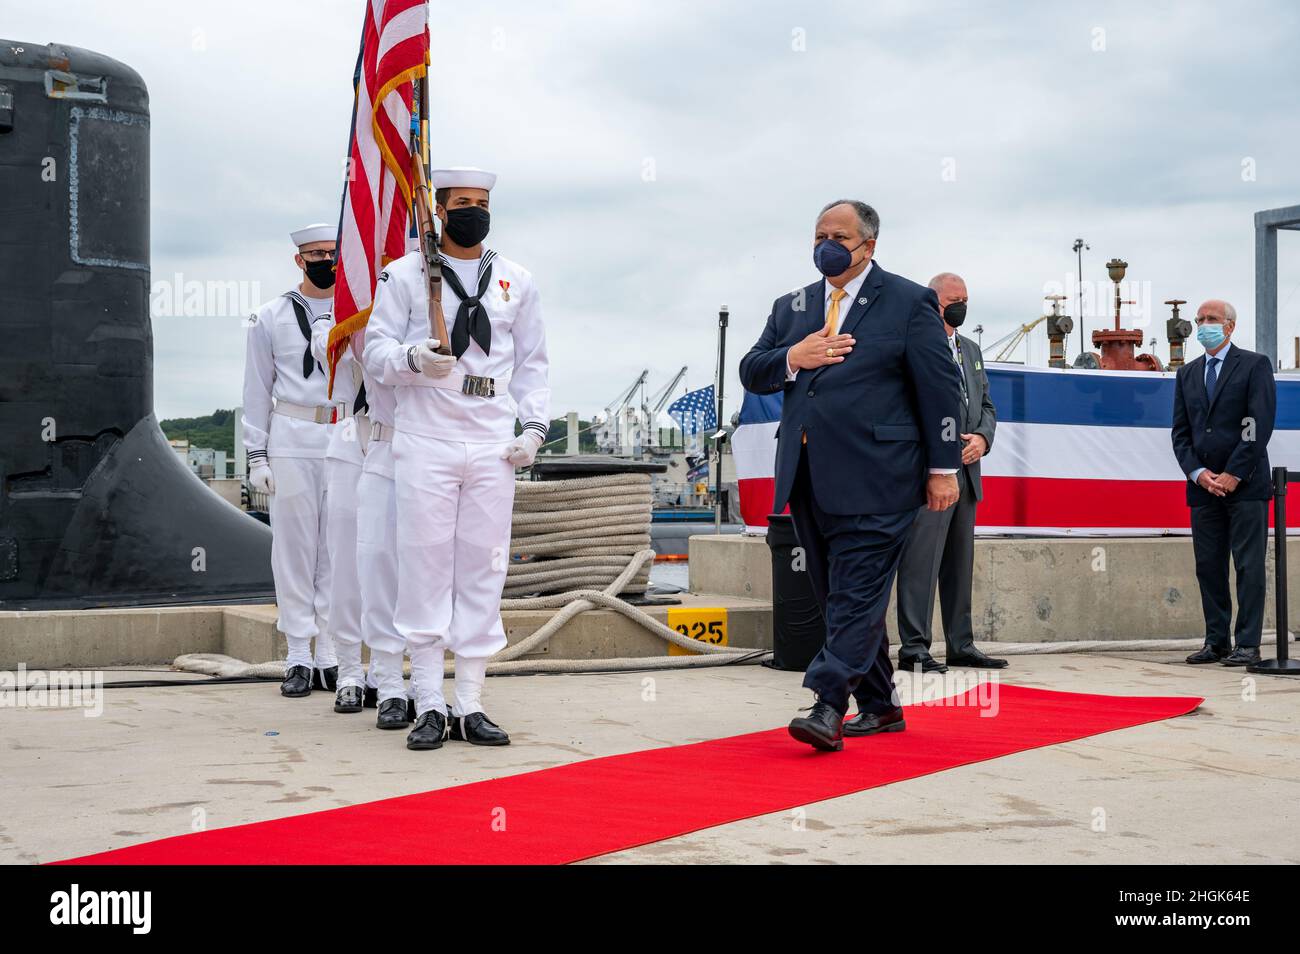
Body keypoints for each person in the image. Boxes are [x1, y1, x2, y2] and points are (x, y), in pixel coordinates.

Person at [738, 200, 963, 752]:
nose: (826, 245)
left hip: (882, 476)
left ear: (869, 244)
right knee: (838, 595)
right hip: (809, 475)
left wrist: (943, 468)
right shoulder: (792, 306)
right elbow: (752, 370)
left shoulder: (910, 302)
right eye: (819, 235)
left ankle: (827, 703)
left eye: (838, 235)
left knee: (857, 594)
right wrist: (796, 355)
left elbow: (940, 391)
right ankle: (882, 706)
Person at [363, 167, 550, 750]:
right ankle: (427, 701)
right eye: (462, 202)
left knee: (483, 565)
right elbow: (374, 351)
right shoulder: (406, 274)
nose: (473, 211)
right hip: (427, 431)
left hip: (492, 435)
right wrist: (414, 359)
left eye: (482, 202)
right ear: (439, 209)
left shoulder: (515, 280)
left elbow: (533, 363)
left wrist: (536, 428)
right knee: (423, 564)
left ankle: (469, 701)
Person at [242, 224, 343, 698]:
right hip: (291, 435)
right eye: (316, 253)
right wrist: (256, 453)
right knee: (293, 550)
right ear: (300, 260)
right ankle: (299, 653)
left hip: (344, 434)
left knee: (337, 551)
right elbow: (256, 390)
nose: (326, 259)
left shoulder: (359, 312)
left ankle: (330, 654)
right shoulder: (270, 316)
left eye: (332, 252)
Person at [894, 273, 1005, 673]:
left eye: (966, 299)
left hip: (968, 474)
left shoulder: (971, 349)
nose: (961, 306)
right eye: (953, 299)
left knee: (959, 562)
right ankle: (915, 648)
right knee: (922, 561)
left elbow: (988, 405)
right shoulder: (913, 343)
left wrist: (982, 439)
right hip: (931, 472)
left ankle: (961, 643)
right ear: (932, 302)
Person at [1172, 299, 1276, 667]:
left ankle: (1247, 644)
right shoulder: (1187, 374)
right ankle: (1215, 640)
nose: (1203, 325)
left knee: (1248, 565)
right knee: (1209, 566)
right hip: (1203, 488)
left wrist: (1234, 472)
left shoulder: (1253, 365)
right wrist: (1199, 473)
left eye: (1211, 319)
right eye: (1199, 320)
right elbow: (1181, 433)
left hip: (1245, 486)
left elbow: (1257, 423)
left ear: (1230, 326)